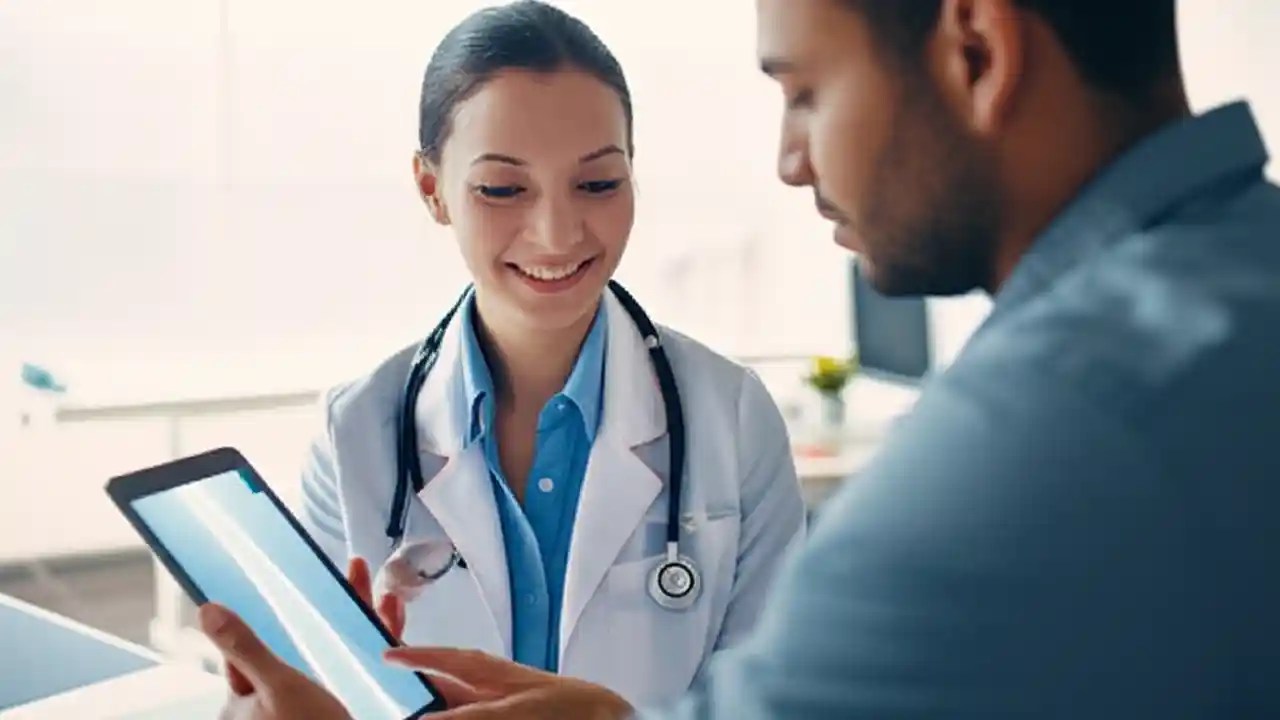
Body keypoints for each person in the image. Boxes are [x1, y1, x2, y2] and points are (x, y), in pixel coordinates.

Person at [199, 0, 1280, 717]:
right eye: (500, 187)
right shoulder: (1236, 295)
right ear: (433, 187)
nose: (786, 159)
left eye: (804, 89)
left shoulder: (1035, 445)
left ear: (975, 53)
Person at [282, 0, 806, 709]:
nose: (557, 234)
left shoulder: (730, 418)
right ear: (432, 188)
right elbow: (316, 692)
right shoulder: (355, 436)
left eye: (598, 184)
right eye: (502, 188)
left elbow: (784, 704)